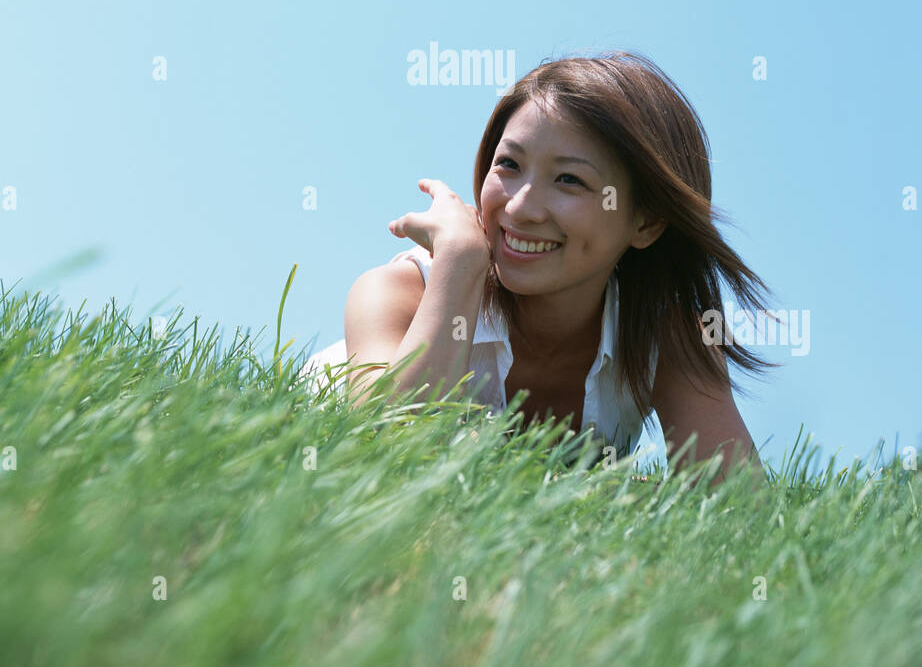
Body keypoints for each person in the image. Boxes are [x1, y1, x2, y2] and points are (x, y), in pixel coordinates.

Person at [302, 51, 779, 486]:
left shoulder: (668, 339)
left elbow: (739, 506)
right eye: (508, 164)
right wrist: (460, 266)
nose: (522, 207)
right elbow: (382, 453)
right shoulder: (396, 290)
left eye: (569, 180)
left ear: (647, 220)